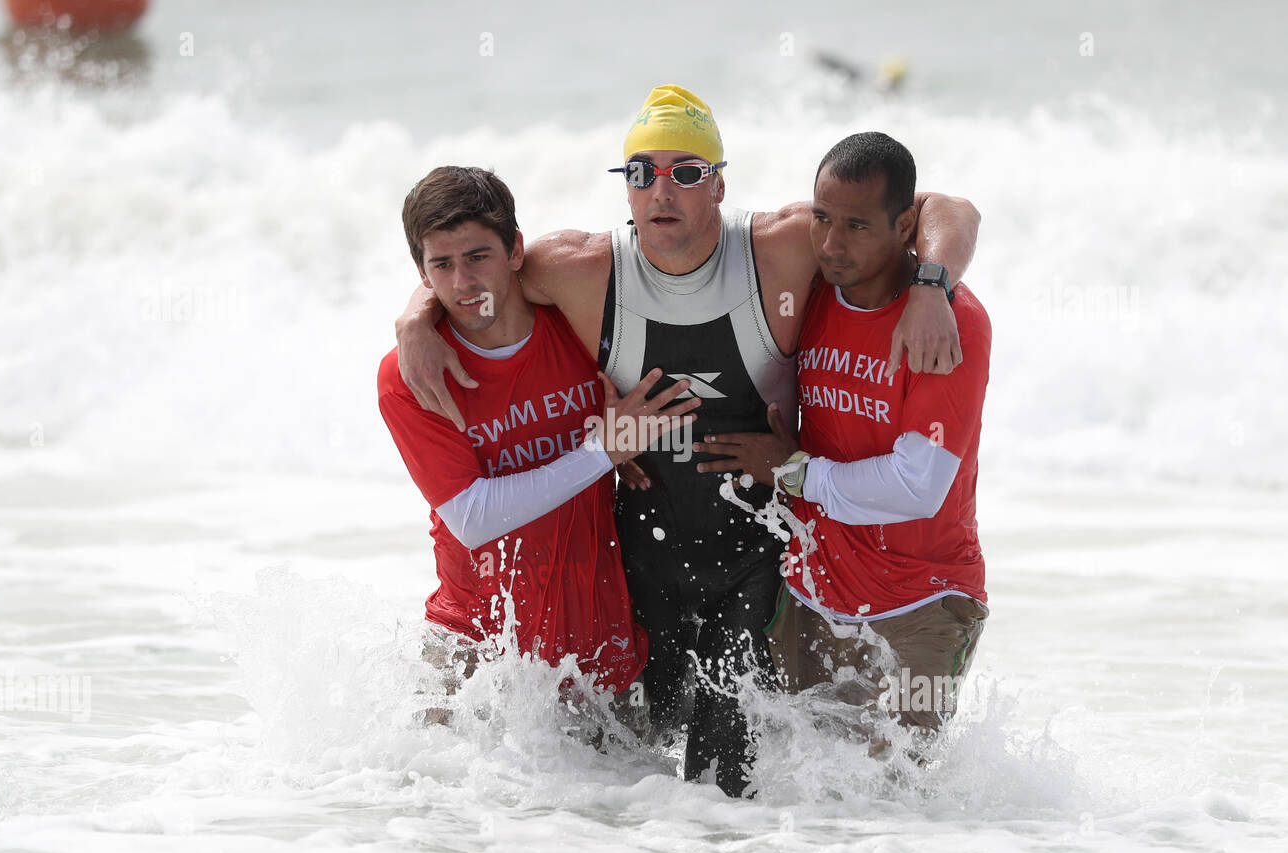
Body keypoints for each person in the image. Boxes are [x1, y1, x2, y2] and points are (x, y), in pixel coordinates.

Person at [394, 86, 981, 797]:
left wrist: (930, 282)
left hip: (760, 564)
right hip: (641, 563)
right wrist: (416, 316)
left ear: (719, 183)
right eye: (642, 172)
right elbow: (475, 273)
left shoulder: (787, 246)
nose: (662, 189)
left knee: (725, 792)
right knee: (622, 789)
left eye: (686, 172)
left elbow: (942, 208)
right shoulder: (575, 269)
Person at [696, 131, 991, 748]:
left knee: (891, 803)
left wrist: (794, 472)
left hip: (924, 604)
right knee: (800, 813)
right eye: (823, 217)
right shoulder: (809, 285)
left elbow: (918, 486)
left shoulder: (949, 322)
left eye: (857, 226)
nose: (831, 244)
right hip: (811, 592)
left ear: (905, 223)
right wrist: (430, 311)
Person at [377, 166, 699, 723]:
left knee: (638, 810)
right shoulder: (414, 375)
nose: (463, 284)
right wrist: (603, 454)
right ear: (423, 275)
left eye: (478, 257)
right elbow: (473, 517)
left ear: (516, 251)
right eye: (442, 266)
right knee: (430, 808)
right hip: (473, 653)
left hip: (598, 645)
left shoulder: (578, 326)